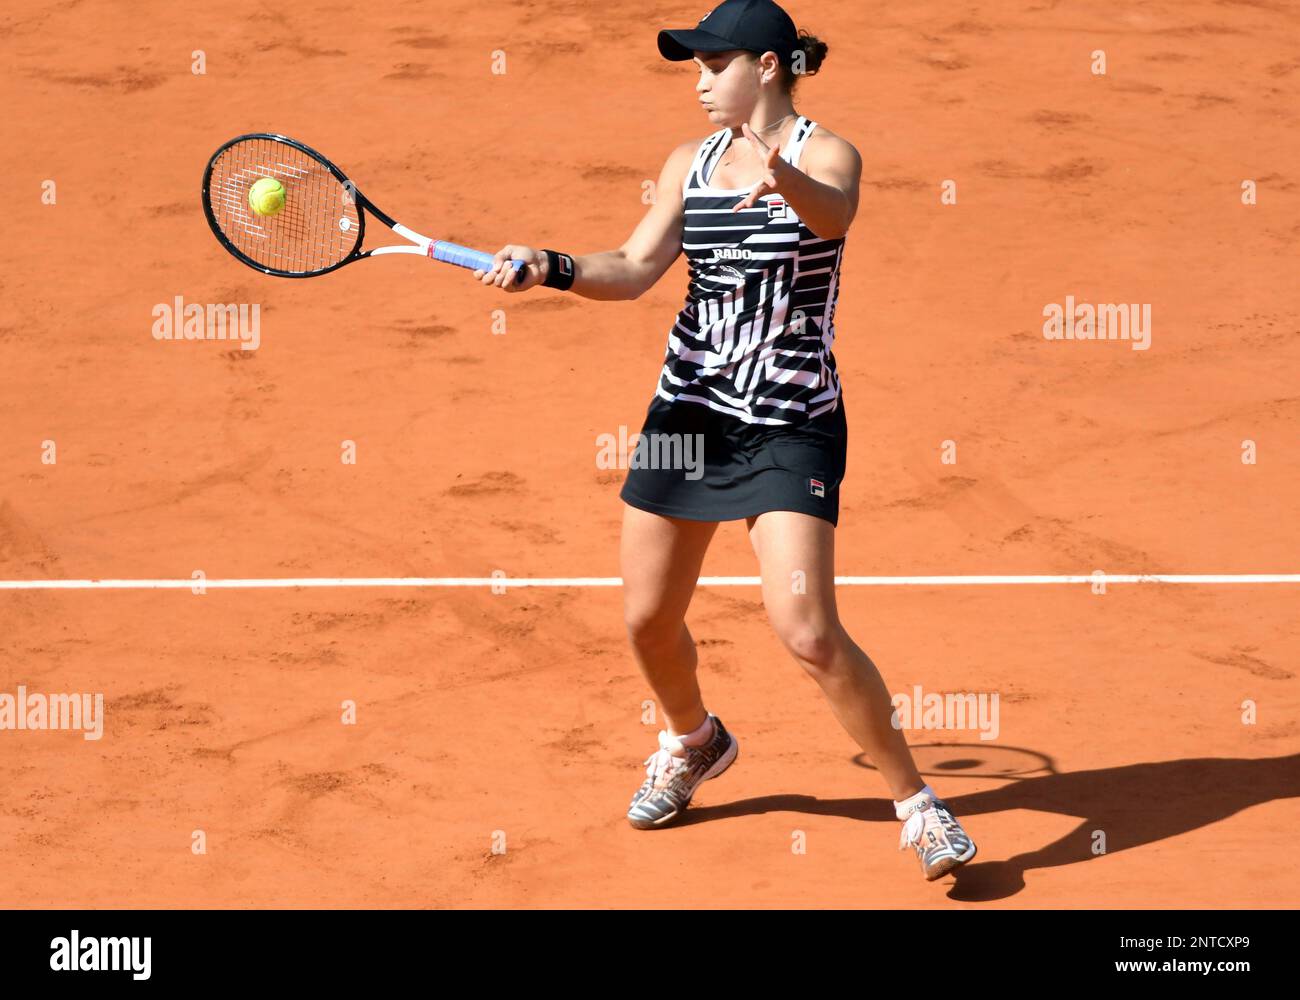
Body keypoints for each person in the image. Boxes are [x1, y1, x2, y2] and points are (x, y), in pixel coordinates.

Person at [473, 0, 977, 882]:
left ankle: (919, 806)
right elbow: (632, 269)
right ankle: (694, 740)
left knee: (809, 631)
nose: (701, 83)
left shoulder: (826, 154)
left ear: (771, 66)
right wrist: (549, 267)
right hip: (689, 419)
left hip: (789, 420)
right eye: (695, 68)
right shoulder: (689, 162)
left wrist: (783, 177)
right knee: (646, 620)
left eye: (716, 65)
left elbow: (835, 218)